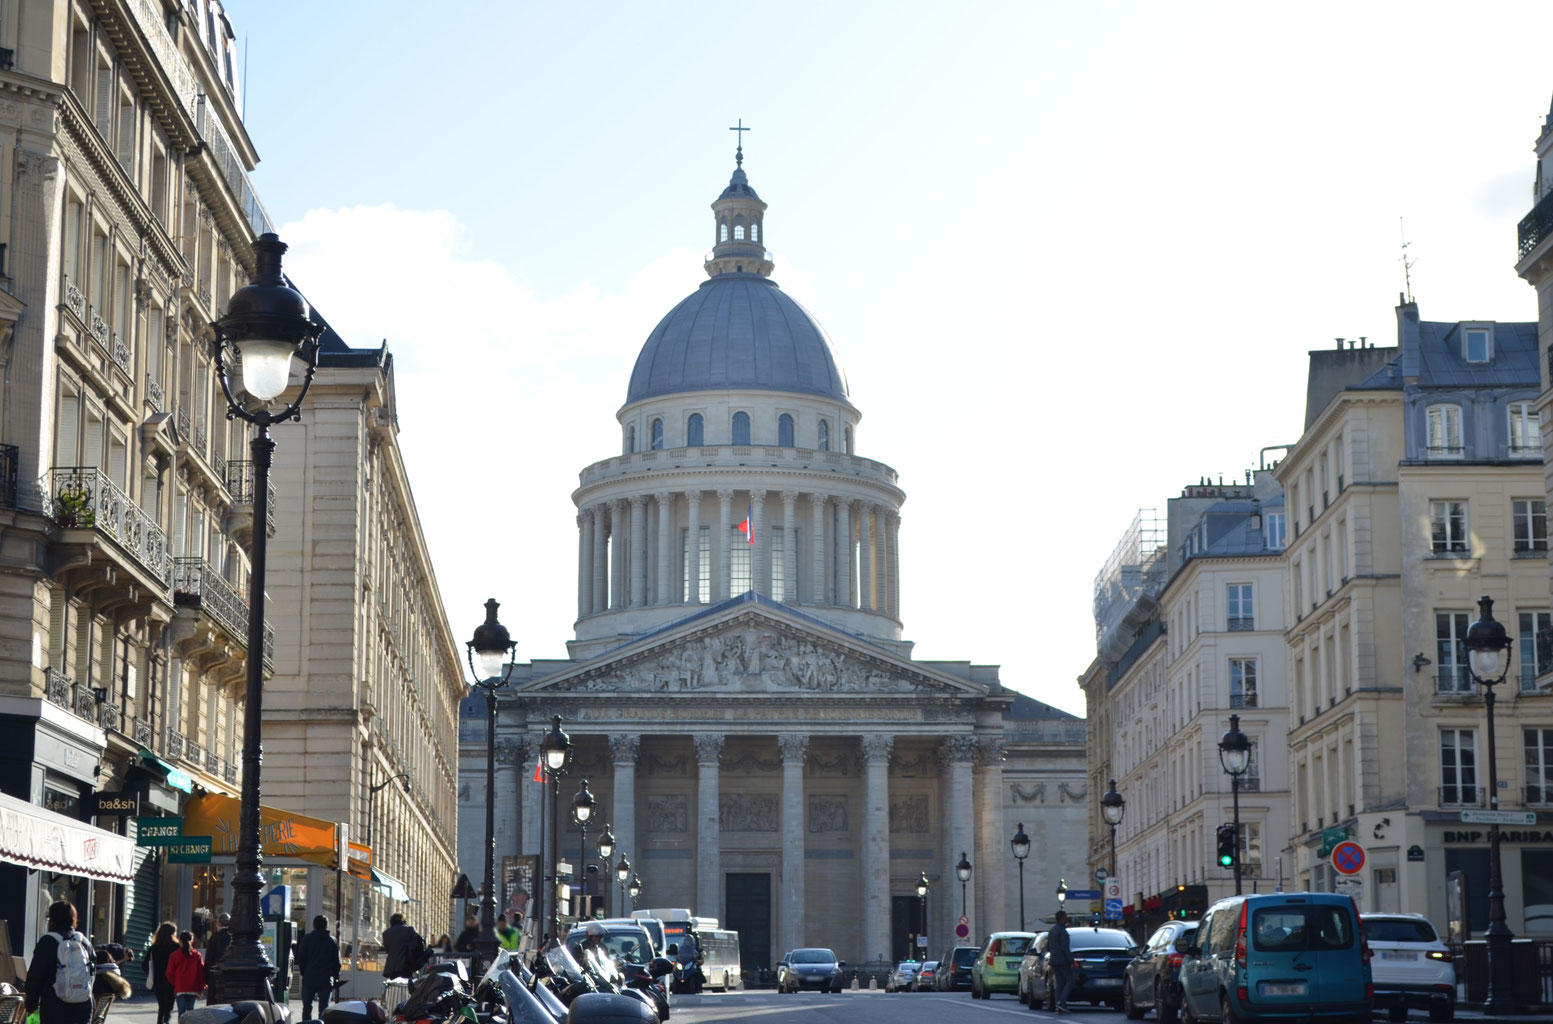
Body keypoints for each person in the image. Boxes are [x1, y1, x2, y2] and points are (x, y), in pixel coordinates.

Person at [24, 900, 93, 1024]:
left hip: (55, 1007)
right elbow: (92, 974)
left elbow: (35, 977)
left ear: (52, 919)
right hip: (83, 1007)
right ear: (74, 919)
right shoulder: (85, 942)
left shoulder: (48, 942)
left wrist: (31, 1005)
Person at [295, 915, 342, 1020]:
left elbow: (301, 958)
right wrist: (335, 976)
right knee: (324, 1009)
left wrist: (304, 972)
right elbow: (336, 962)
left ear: (314, 925)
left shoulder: (306, 939)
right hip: (325, 980)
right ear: (326, 926)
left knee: (307, 1008)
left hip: (309, 978)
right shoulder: (332, 941)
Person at [142, 922, 178, 1024]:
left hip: (158, 981)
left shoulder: (154, 948)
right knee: (168, 1007)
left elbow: (144, 965)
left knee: (161, 1007)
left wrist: (152, 974)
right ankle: (166, 1022)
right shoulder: (176, 947)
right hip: (171, 981)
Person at [166, 931, 206, 1015]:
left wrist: (176, 983)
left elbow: (169, 973)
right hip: (193, 988)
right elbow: (201, 973)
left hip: (180, 988)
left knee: (181, 1012)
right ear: (192, 941)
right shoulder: (197, 955)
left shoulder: (174, 955)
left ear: (180, 941)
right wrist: (201, 989)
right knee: (191, 1012)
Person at [380, 913, 425, 979]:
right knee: (407, 986)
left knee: (394, 986)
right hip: (405, 965)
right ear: (403, 921)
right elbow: (415, 946)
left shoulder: (386, 933)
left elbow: (387, 950)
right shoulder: (409, 929)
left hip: (391, 968)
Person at [1047, 910, 1074, 1014]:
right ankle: (1061, 1002)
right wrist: (1070, 960)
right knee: (1070, 981)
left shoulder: (1052, 930)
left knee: (1059, 983)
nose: (1067, 918)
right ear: (1062, 918)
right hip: (1062, 960)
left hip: (1053, 960)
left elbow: (1048, 946)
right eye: (1066, 916)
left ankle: (1058, 1004)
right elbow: (1065, 947)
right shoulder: (1062, 931)